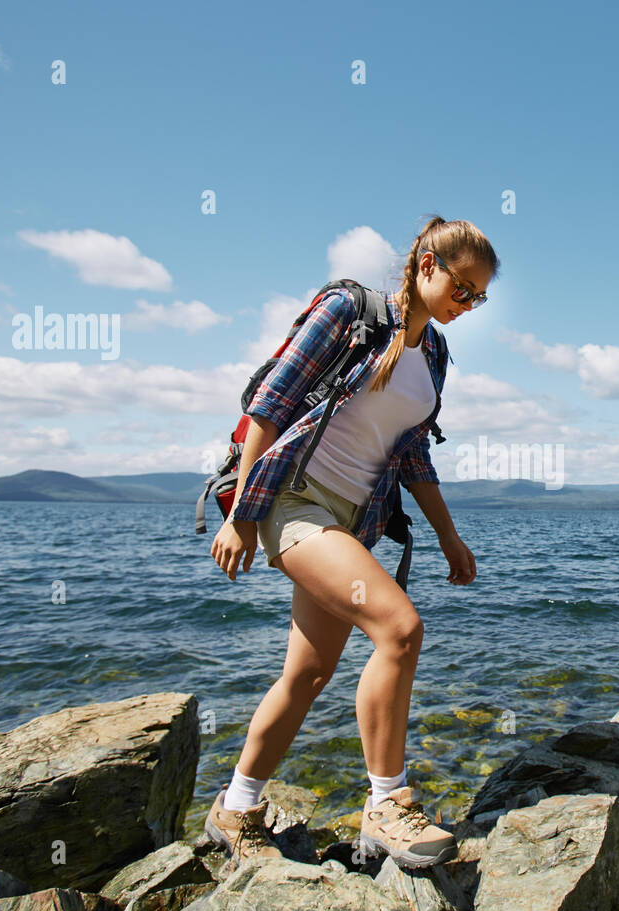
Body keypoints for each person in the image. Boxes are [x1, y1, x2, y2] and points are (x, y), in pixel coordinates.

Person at [205, 214, 499, 872]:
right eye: (462, 287)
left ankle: (236, 805)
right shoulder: (349, 311)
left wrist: (449, 535)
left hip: (351, 522)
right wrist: (243, 513)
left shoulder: (435, 357)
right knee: (399, 628)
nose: (468, 304)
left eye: (479, 297)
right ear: (427, 265)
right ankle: (387, 802)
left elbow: (413, 454)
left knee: (307, 673)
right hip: (293, 500)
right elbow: (270, 404)